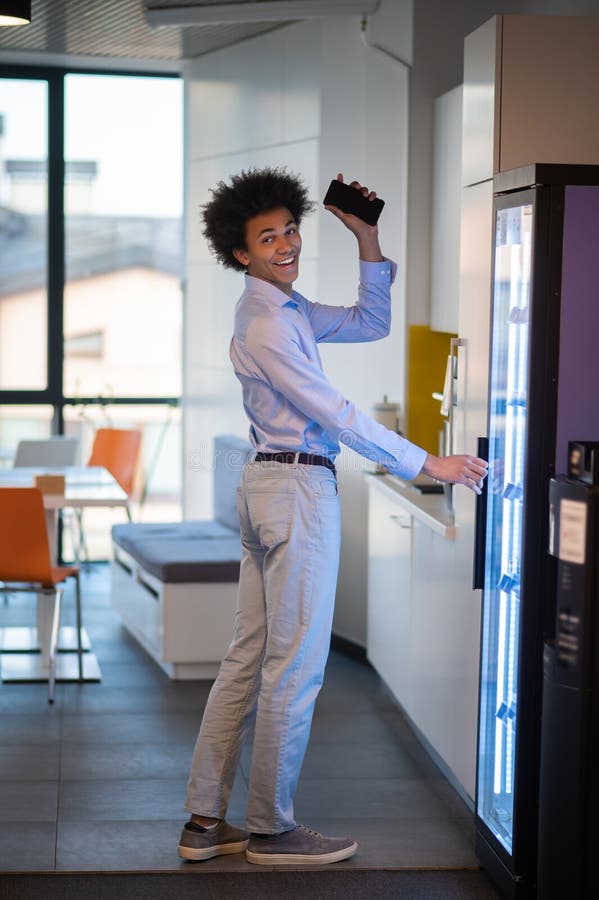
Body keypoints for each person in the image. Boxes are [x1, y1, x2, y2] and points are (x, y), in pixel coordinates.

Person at [178, 168, 488, 867]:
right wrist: (424, 463)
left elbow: (370, 321)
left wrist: (367, 238)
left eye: (290, 229)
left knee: (249, 660)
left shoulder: (284, 309)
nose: (285, 243)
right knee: (294, 666)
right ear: (240, 252)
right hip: (294, 493)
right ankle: (270, 828)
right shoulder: (266, 322)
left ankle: (205, 822)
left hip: (269, 489)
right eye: (267, 237)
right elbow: (335, 412)